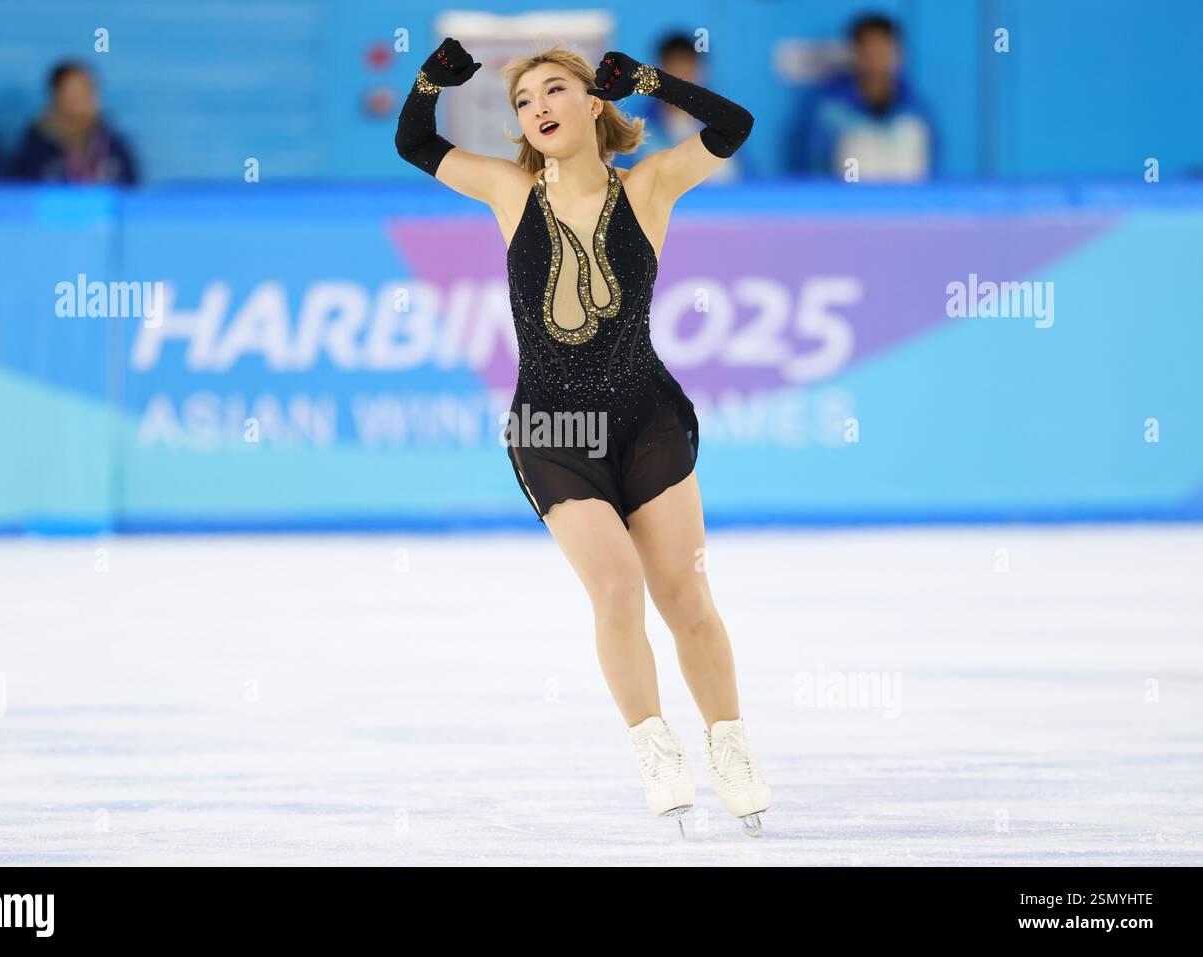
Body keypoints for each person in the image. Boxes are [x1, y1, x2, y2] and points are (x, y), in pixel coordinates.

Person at [395, 38, 772, 836]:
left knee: (687, 598)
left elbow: (735, 125)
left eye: (554, 91)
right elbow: (415, 144)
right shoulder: (507, 191)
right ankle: (653, 744)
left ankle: (729, 744)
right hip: (552, 431)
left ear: (594, 104)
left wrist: (653, 81)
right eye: (524, 102)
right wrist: (431, 81)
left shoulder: (653, 186)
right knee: (615, 589)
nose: (537, 109)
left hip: (646, 422)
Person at [795, 13, 936, 180]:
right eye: (869, 49)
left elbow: (929, 168)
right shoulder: (829, 110)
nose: (876, 59)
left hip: (904, 201)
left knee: (909, 132)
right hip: (846, 200)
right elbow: (813, 165)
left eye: (884, 49)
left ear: (898, 53)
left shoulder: (916, 111)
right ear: (855, 53)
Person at [616, 33, 742, 183]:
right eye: (674, 66)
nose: (681, 77)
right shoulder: (634, 128)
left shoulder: (725, 125)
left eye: (688, 67)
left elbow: (748, 181)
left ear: (701, 71)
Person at [11, 61, 138, 184]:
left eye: (87, 91)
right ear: (55, 96)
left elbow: (132, 193)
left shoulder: (114, 147)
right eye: (73, 92)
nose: (80, 100)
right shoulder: (34, 150)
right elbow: (18, 195)